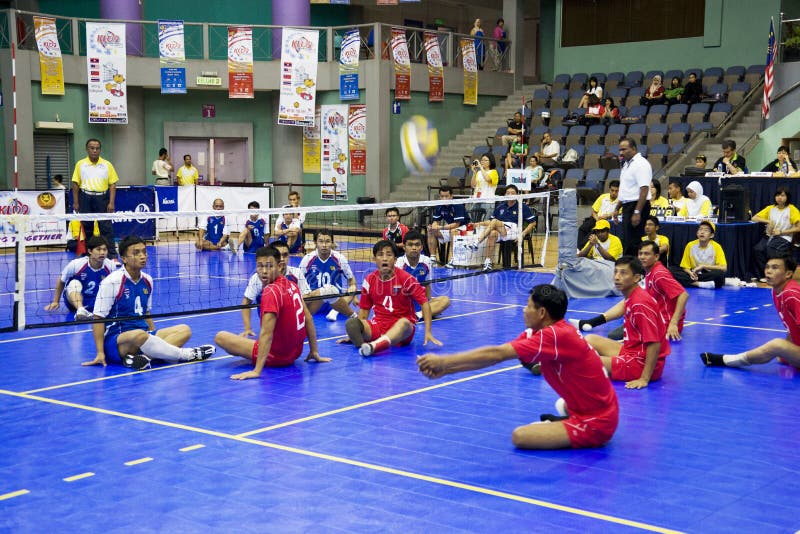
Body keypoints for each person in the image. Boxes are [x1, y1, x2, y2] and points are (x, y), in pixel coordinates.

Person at [417, 284, 619, 450]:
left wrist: (444, 362)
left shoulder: (555, 335)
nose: (524, 310)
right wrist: (446, 371)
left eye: (527, 306)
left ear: (541, 312)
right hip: (600, 405)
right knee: (559, 403)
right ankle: (566, 420)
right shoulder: (541, 331)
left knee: (520, 437)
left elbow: (497, 354)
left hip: (598, 422)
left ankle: (573, 425)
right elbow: (497, 355)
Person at [83, 236, 215, 370]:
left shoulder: (148, 280)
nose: (142, 256)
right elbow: (98, 318)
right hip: (117, 340)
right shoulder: (112, 282)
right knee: (139, 334)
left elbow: (146, 313)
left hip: (143, 335)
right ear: (124, 258)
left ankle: (138, 359)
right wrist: (100, 353)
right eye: (136, 253)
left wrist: (153, 335)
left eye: (144, 252)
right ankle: (187, 354)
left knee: (184, 330)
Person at [214, 247, 328, 380]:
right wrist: (314, 351)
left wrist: (256, 371)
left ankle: (258, 360)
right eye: (260, 266)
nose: (264, 271)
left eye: (269, 266)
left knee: (220, 337)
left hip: (276, 356)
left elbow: (266, 334)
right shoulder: (292, 284)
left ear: (279, 266)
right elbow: (308, 317)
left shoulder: (270, 291)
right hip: (296, 353)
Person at [343, 240, 441, 357]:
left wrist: (428, 331)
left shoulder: (406, 279)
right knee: (352, 324)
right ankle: (364, 348)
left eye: (389, 255)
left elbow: (424, 303)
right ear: (375, 259)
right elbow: (364, 312)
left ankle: (374, 346)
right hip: (378, 326)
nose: (384, 258)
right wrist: (357, 332)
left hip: (402, 331)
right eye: (380, 255)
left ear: (395, 260)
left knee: (404, 323)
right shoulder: (369, 280)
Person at [575, 242, 688, 343]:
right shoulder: (651, 271)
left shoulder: (659, 274)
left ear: (656, 256)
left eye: (647, 254)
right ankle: (593, 322)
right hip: (654, 317)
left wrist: (673, 323)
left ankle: (592, 323)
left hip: (664, 324)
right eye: (640, 254)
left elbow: (683, 295)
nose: (642, 257)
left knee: (612, 336)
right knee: (630, 298)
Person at [584, 256, 670, 389]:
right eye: (615, 272)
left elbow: (654, 343)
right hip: (632, 352)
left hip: (640, 364)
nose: (617, 277)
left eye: (623, 273)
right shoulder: (632, 296)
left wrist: (644, 378)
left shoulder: (640, 304)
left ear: (636, 278)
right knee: (589, 339)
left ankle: (551, 363)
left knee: (585, 362)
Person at [700, 255, 800, 369]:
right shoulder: (776, 291)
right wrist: (787, 352)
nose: (769, 271)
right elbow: (792, 328)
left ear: (788, 274)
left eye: (775, 267)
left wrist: (785, 349)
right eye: (767, 267)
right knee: (780, 351)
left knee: (776, 345)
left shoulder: (791, 294)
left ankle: (726, 360)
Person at [239, 242, 309, 338]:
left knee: (317, 295)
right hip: (270, 321)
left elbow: (307, 300)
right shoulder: (258, 278)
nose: (282, 259)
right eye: (278, 255)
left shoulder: (296, 273)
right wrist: (247, 328)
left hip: (292, 320)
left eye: (285, 255)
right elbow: (246, 301)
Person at [44, 235, 117, 320]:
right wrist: (56, 301)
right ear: (90, 251)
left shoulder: (110, 266)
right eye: (98, 249)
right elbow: (61, 280)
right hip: (75, 302)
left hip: (97, 303)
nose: (102, 252)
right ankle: (81, 310)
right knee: (74, 283)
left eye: (104, 249)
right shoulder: (76, 264)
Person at [467, 184, 537, 271]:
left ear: (517, 195)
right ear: (505, 195)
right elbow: (490, 221)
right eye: (508, 193)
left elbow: (533, 222)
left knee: (495, 221)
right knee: (492, 233)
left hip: (514, 230)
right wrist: (478, 224)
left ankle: (476, 242)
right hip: (500, 229)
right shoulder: (500, 206)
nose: (510, 195)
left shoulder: (522, 207)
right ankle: (487, 262)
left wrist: (522, 234)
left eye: (513, 193)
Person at [71, 138, 118, 259]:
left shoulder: (107, 165)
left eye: (97, 148)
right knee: (87, 229)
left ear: (100, 150)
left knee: (106, 228)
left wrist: (111, 202)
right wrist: (76, 202)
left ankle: (112, 256)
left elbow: (112, 184)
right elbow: (75, 184)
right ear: (87, 149)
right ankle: (88, 255)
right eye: (92, 148)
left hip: (102, 198)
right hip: (85, 198)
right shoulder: (80, 164)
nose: (95, 150)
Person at [298, 229, 358, 322]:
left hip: (336, 302)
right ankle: (348, 314)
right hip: (315, 301)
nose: (324, 245)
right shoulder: (308, 258)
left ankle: (335, 311)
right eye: (321, 241)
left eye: (327, 241)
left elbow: (351, 280)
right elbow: (298, 280)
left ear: (332, 243)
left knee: (353, 288)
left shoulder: (339, 258)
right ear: (315, 243)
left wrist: (354, 295)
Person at [397, 231, 451, 319]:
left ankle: (417, 315)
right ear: (404, 247)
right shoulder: (399, 263)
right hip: (404, 303)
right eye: (410, 245)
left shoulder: (426, 261)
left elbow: (427, 284)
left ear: (421, 247)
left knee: (445, 300)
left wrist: (427, 302)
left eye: (417, 245)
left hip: (420, 302)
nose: (414, 248)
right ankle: (426, 313)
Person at [751, 187, 800, 276]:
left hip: (784, 237)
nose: (779, 197)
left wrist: (781, 232)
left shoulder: (792, 209)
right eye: (778, 195)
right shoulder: (770, 208)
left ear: (787, 197)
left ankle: (775, 275)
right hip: (769, 236)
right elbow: (754, 218)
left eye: (782, 195)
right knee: (758, 249)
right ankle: (764, 275)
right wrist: (768, 221)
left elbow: (798, 228)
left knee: (771, 248)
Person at [616, 137, 652, 255]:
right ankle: (630, 270)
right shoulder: (626, 165)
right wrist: (617, 208)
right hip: (627, 205)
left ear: (634, 148)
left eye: (624, 149)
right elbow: (625, 190)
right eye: (620, 150)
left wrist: (637, 212)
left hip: (637, 205)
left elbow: (644, 189)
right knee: (627, 241)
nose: (621, 152)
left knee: (633, 242)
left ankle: (635, 271)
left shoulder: (641, 164)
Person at [669, 221, 727, 289]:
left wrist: (703, 266)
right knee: (671, 270)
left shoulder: (717, 247)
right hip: (693, 274)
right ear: (697, 233)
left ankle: (688, 282)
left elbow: (724, 268)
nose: (702, 232)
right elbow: (685, 267)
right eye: (700, 229)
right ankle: (698, 284)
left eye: (706, 230)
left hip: (708, 274)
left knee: (719, 274)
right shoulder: (690, 245)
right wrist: (690, 273)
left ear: (711, 235)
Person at [426, 185, 470, 267]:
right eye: (442, 196)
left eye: (446, 196)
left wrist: (440, 227)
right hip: (450, 229)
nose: (444, 198)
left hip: (464, 229)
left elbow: (456, 224)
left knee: (453, 231)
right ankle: (433, 259)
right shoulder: (439, 206)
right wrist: (433, 226)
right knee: (431, 232)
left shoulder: (457, 205)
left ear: (451, 196)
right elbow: (436, 221)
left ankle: (454, 260)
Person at [578, 179, 620, 248]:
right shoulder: (602, 197)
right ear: (609, 189)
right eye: (612, 190)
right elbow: (593, 212)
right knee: (582, 228)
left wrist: (608, 216)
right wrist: (597, 219)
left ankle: (582, 248)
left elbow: (619, 213)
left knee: (592, 232)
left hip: (607, 222)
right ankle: (579, 248)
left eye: (616, 191)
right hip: (596, 218)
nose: (614, 193)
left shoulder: (621, 200)